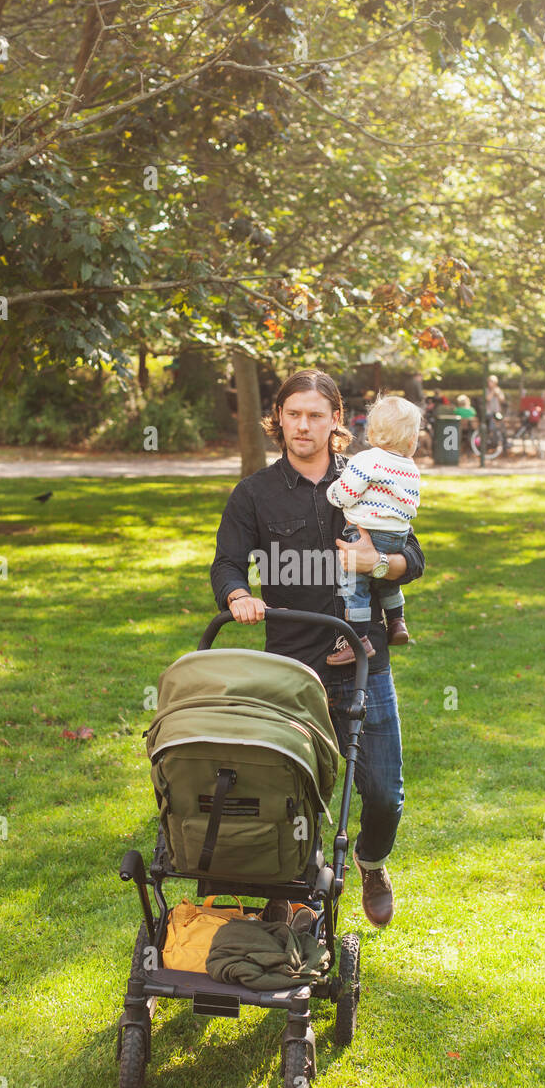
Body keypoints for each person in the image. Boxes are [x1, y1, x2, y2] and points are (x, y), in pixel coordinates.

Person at [210, 368, 425, 928]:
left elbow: (413, 561)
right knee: (290, 791)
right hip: (291, 665)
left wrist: (373, 563)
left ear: (336, 422)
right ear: (277, 418)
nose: (303, 426)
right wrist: (237, 595)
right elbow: (229, 562)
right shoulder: (253, 494)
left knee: (383, 793)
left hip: (364, 659)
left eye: (315, 415)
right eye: (293, 414)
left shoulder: (370, 477)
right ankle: (293, 887)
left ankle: (372, 862)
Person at [323, 394, 421, 665]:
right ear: (412, 440)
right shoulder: (410, 467)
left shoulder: (367, 460)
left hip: (369, 531)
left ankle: (359, 641)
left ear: (372, 432)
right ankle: (398, 620)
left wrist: (333, 493)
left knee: (354, 584)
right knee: (384, 580)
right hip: (398, 536)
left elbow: (346, 492)